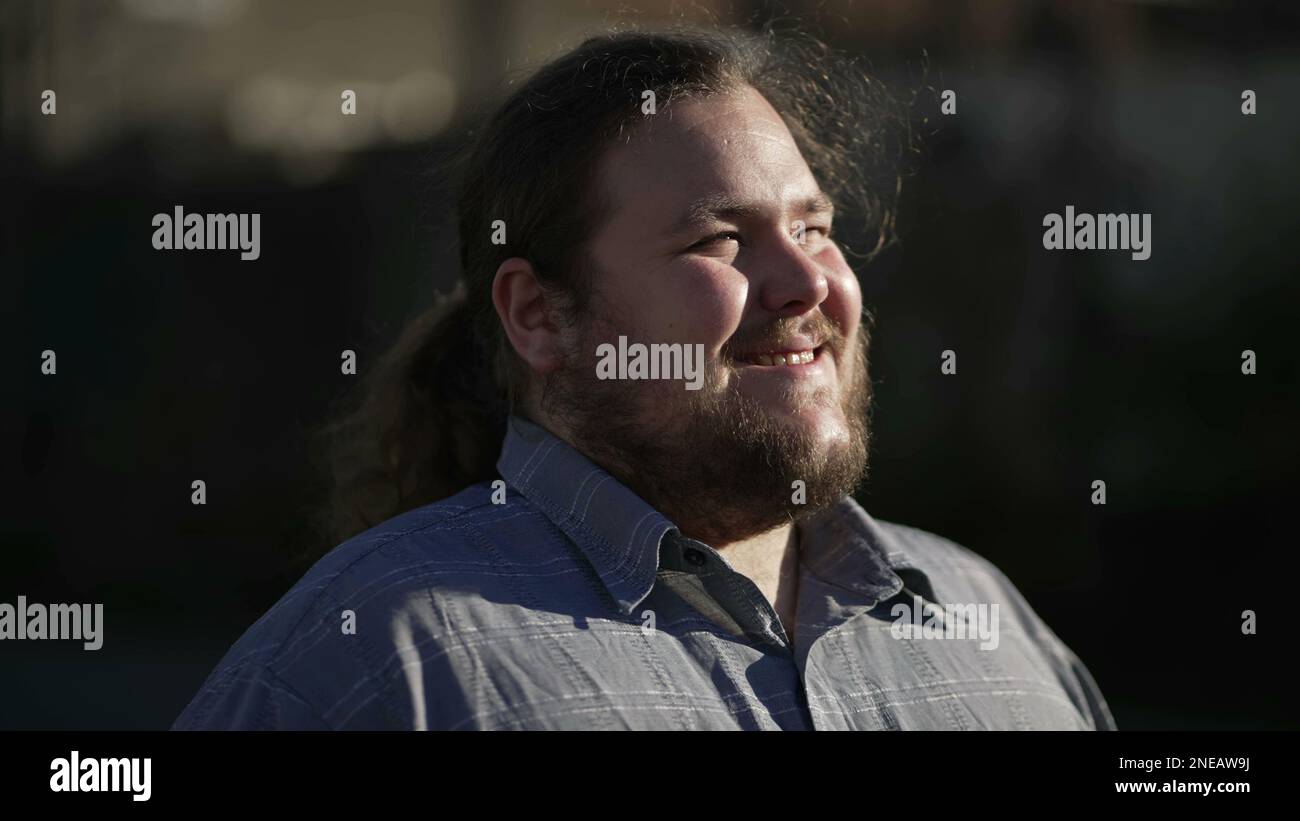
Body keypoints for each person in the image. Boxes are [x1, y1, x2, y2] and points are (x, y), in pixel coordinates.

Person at [173, 24, 1115, 730]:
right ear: (540, 315)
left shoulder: (990, 621)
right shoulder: (382, 660)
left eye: (815, 228)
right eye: (719, 239)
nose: (806, 284)